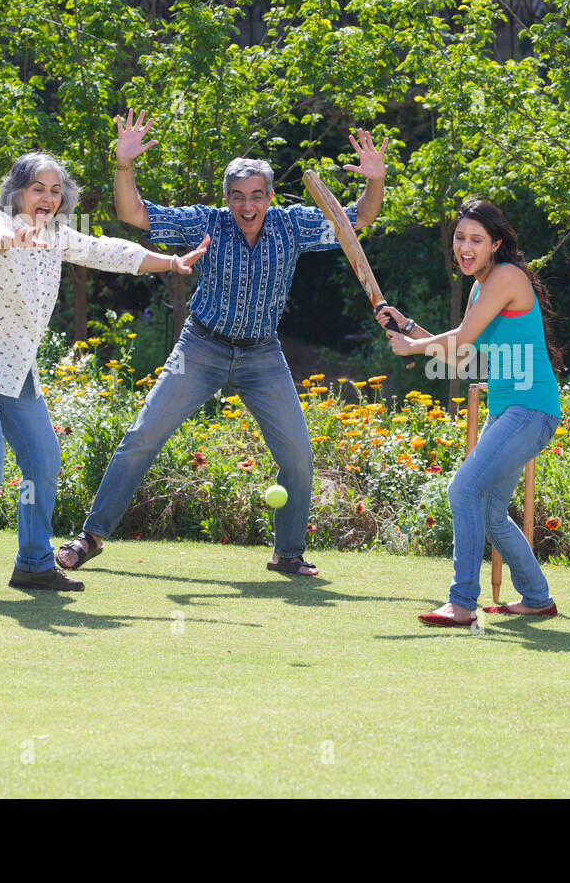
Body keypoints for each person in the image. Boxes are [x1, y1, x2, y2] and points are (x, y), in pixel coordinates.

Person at [56, 110, 387, 576]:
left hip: (262, 354)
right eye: (237, 197)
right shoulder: (205, 222)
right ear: (226, 199)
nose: (247, 206)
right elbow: (132, 213)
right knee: (143, 435)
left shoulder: (291, 225)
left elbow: (358, 220)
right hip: (202, 348)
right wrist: (124, 164)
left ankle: (287, 553)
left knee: (297, 454)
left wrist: (374, 180)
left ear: (270, 197)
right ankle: (90, 536)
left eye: (256, 196)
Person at [0, 152, 206, 597]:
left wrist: (171, 263)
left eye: (55, 190)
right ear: (17, 190)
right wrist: (13, 237)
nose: (48, 197)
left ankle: (34, 565)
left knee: (43, 462)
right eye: (38, 188)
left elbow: (109, 252)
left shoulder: (58, 236)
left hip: (14, 368)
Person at [376, 199, 562, 626]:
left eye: (476, 239)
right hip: (508, 412)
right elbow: (462, 356)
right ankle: (537, 598)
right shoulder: (481, 288)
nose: (465, 246)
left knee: (462, 490)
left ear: (496, 243)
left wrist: (413, 346)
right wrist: (408, 328)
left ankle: (462, 603)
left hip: (530, 410)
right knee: (492, 512)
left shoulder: (506, 276)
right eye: (460, 237)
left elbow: (460, 338)